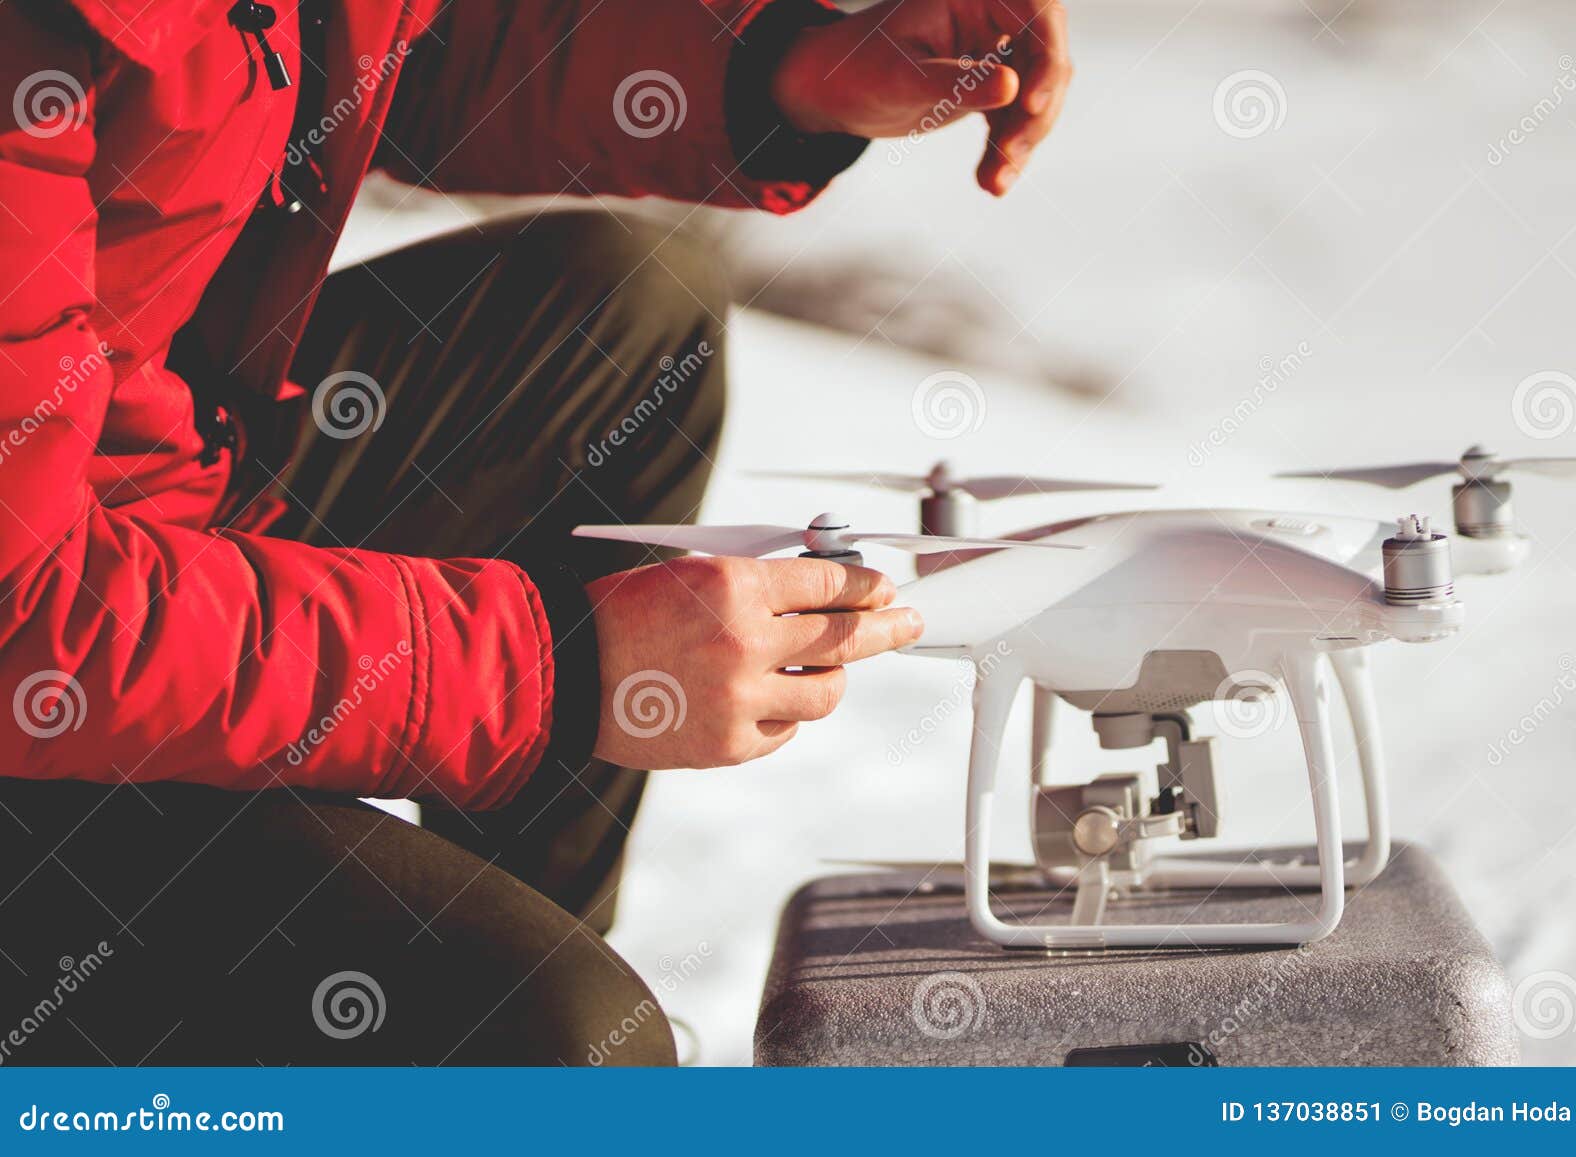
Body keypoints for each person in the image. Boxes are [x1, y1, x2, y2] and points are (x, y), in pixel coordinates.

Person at [0, 0, 1070, 1065]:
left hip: (154, 494)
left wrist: (784, 72)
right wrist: (559, 663)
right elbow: (27, 614)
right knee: (560, 1041)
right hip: (42, 670)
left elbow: (387, 52)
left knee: (628, 316)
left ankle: (521, 962)